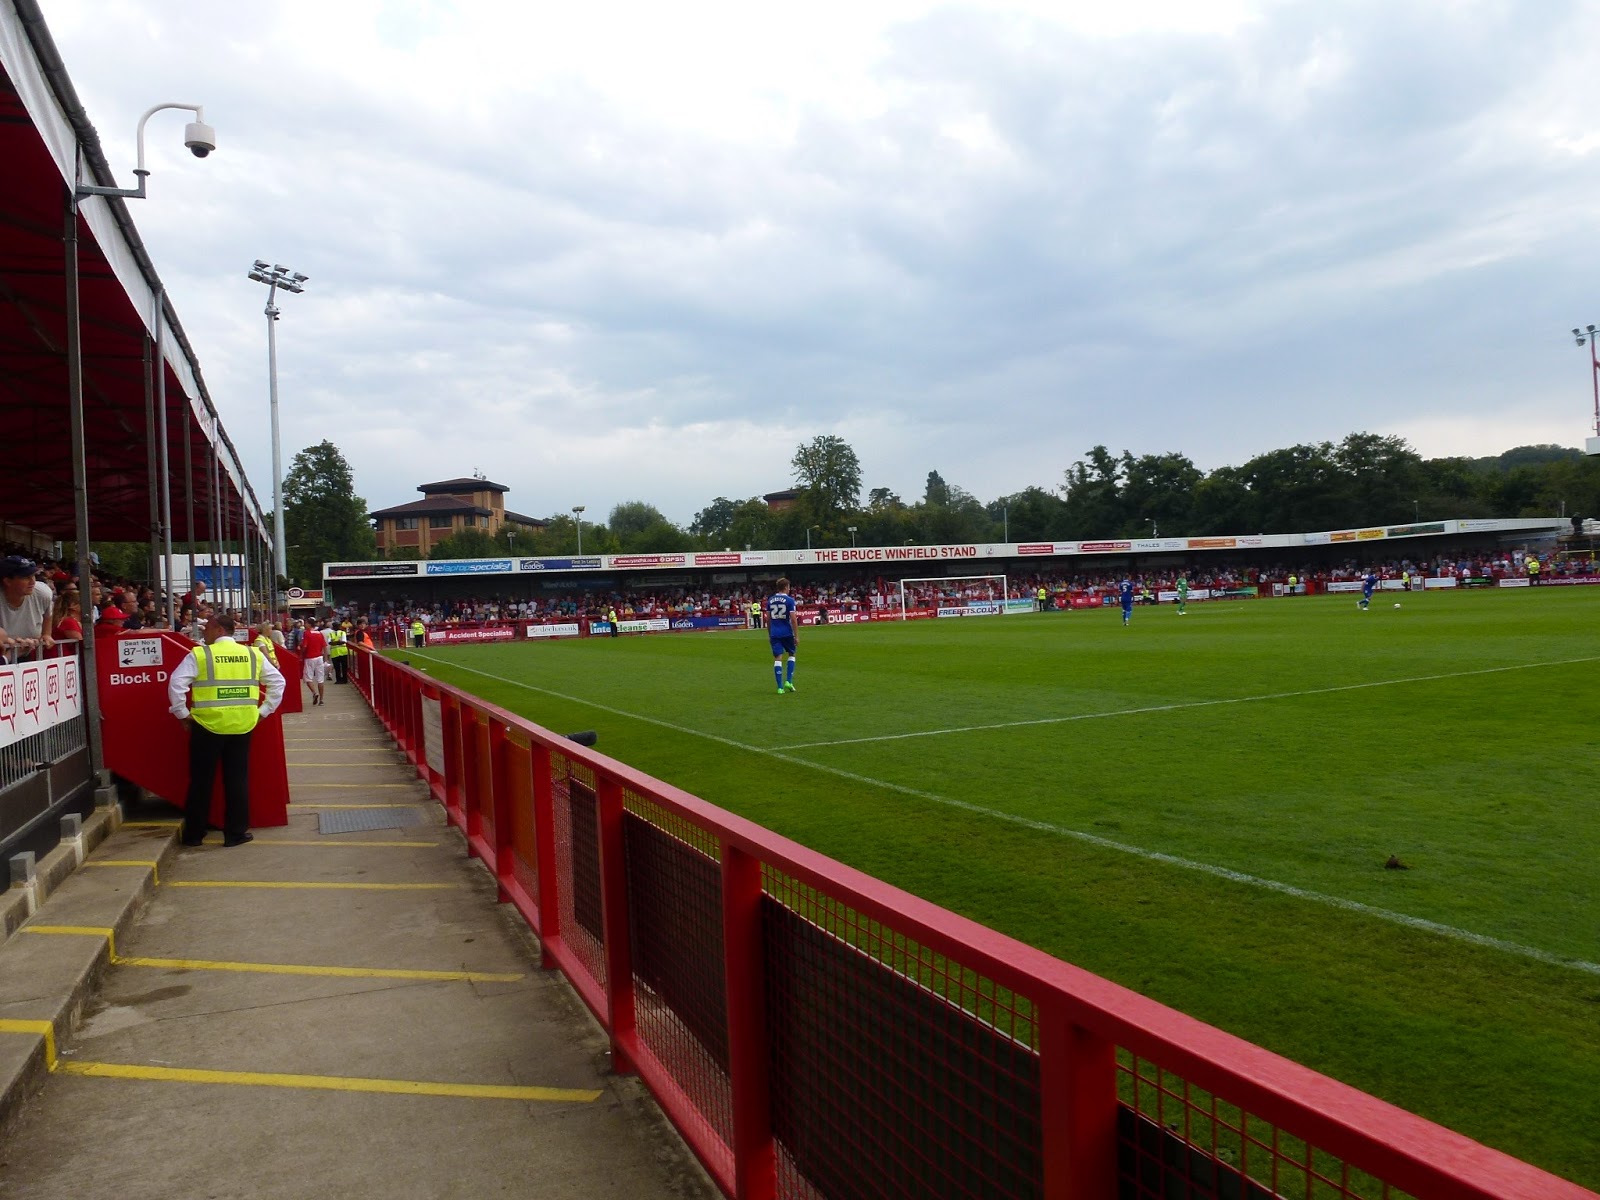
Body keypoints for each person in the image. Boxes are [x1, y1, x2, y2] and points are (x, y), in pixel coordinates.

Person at [167, 613, 285, 848]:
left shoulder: (200, 654)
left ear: (219, 629)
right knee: (237, 781)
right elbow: (278, 682)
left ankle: (194, 835)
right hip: (242, 726)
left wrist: (182, 714)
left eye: (207, 628)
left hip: (206, 726)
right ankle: (235, 833)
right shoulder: (251, 654)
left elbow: (176, 683)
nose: (204, 633)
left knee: (201, 782)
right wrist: (263, 712)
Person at [0, 556, 54, 663]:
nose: (32, 581)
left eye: (33, 575)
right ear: (7, 581)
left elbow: (48, 613)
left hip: (27, 654)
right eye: (25, 577)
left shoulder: (42, 593)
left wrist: (46, 634)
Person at [766, 577, 798, 693]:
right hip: (787, 632)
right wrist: (796, 635)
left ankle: (780, 687)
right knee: (792, 653)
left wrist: (770, 634)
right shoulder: (789, 600)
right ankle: (788, 681)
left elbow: (768, 619)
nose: (789, 589)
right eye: (789, 587)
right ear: (785, 587)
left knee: (778, 658)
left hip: (774, 632)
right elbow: (793, 619)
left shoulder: (770, 600)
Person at [300, 619, 328, 706]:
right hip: (319, 657)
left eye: (306, 623)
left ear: (309, 624)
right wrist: (325, 659)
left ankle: (314, 692)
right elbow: (324, 646)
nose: (305, 625)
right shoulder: (319, 633)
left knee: (308, 678)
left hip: (309, 658)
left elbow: (304, 646)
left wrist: (301, 653)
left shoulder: (307, 633)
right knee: (320, 679)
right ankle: (322, 700)